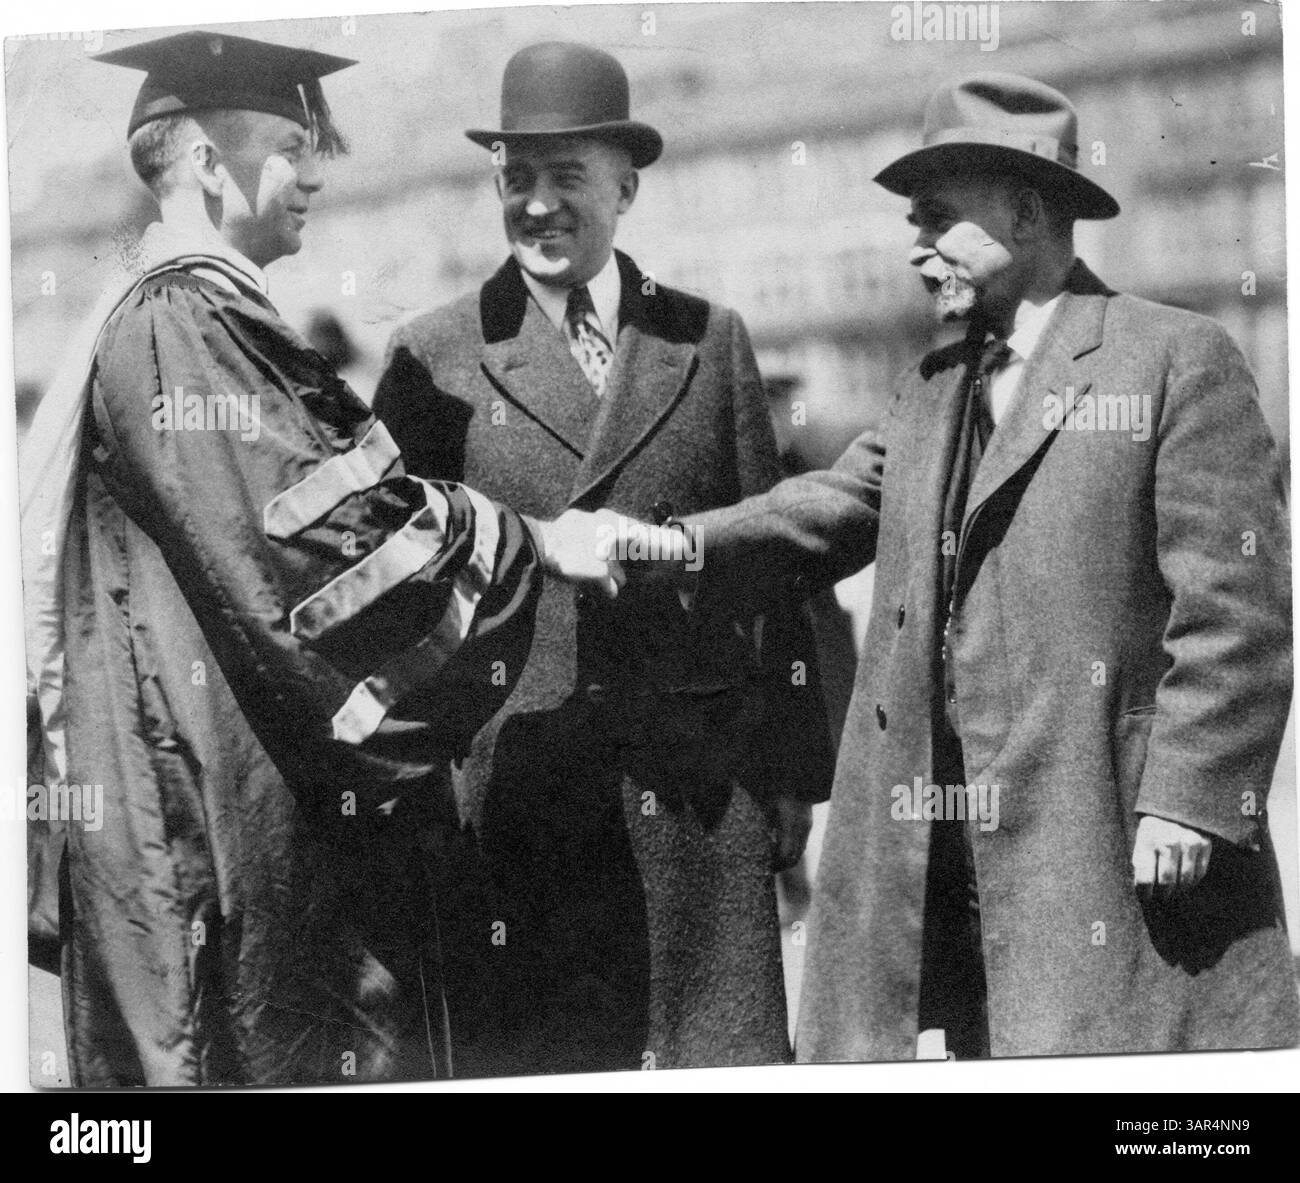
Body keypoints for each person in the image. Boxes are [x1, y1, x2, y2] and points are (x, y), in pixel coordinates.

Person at [649, 73, 1300, 1060]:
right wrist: (674, 544)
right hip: (951, 854)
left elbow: (1238, 607)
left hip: (1111, 838)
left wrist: (1192, 795)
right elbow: (828, 508)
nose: (914, 246)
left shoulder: (1172, 357)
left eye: (937, 220)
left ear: (1027, 211)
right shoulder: (932, 387)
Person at [21, 29, 620, 1087]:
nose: (312, 175)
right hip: (219, 828)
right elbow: (323, 546)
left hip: (227, 803)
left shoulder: (185, 313)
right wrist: (526, 542)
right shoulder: (183, 322)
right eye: (293, 147)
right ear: (210, 163)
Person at [373, 41, 835, 1075]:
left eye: (565, 178)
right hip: (519, 809)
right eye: (516, 180)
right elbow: (394, 578)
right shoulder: (433, 356)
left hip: (699, 805)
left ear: (626, 188)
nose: (536, 205)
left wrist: (794, 779)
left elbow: (769, 576)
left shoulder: (710, 340)